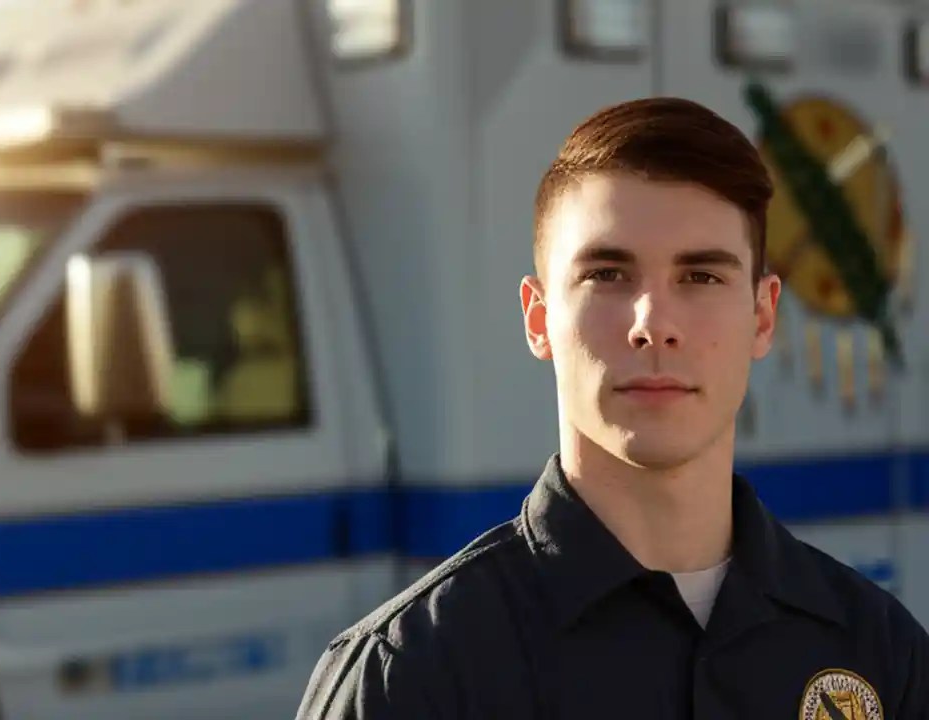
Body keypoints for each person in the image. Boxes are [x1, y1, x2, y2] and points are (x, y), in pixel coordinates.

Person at [293, 97, 929, 719]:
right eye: (608, 275)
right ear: (538, 318)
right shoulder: (411, 676)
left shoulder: (880, 654)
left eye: (701, 276)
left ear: (763, 317)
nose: (653, 324)